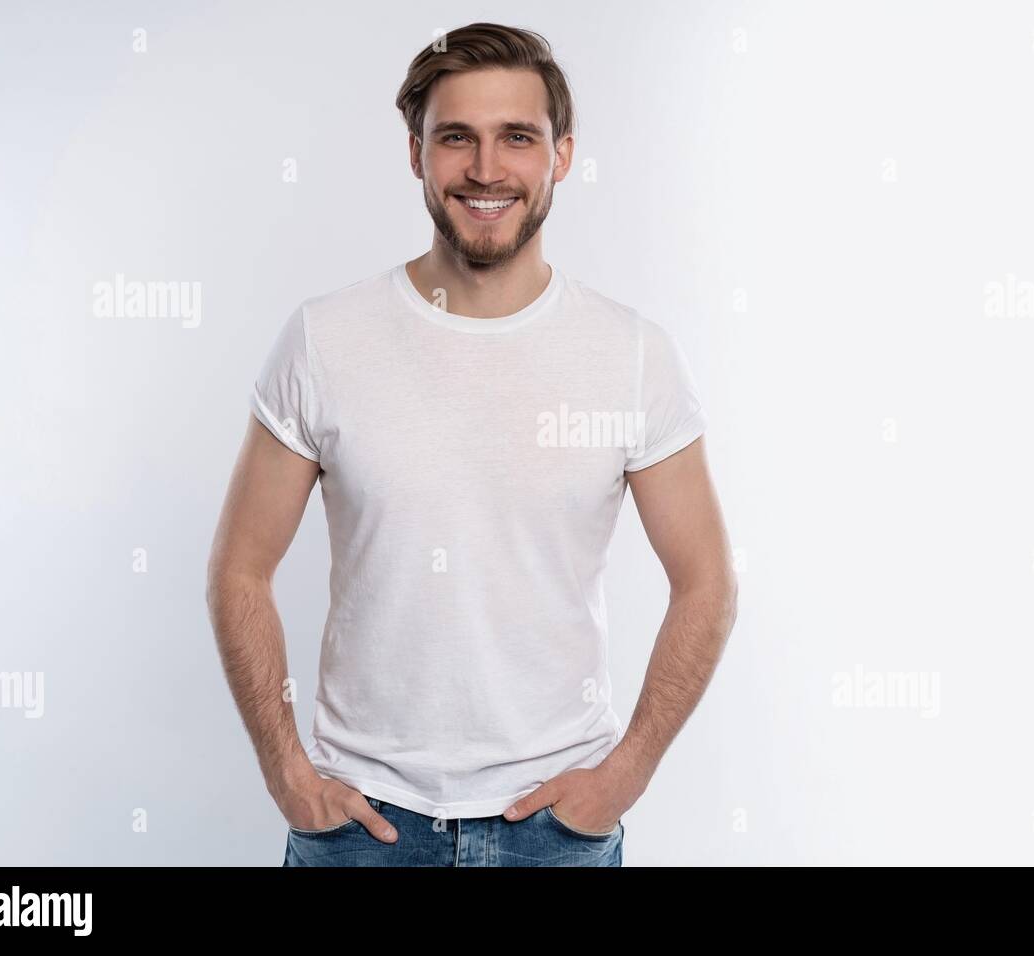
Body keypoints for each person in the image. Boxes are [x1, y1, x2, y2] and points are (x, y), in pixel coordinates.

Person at [206, 22, 737, 867]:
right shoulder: (324, 339)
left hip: (555, 829)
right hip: (361, 827)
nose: (487, 170)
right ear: (415, 154)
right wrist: (287, 775)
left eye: (516, 138)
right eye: (457, 138)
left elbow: (706, 584)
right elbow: (240, 568)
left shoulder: (633, 354)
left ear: (561, 155)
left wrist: (623, 777)